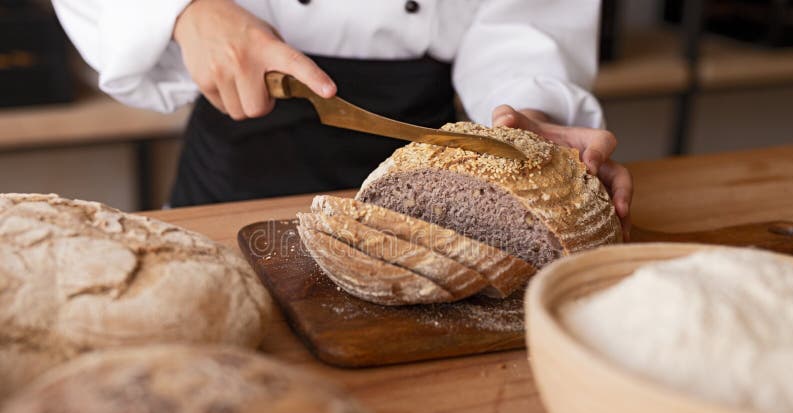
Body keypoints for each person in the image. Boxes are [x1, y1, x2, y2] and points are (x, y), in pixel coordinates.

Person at [53, 0, 632, 236]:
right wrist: (183, 11)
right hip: (232, 173)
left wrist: (525, 114)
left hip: (423, 186)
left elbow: (521, 21)